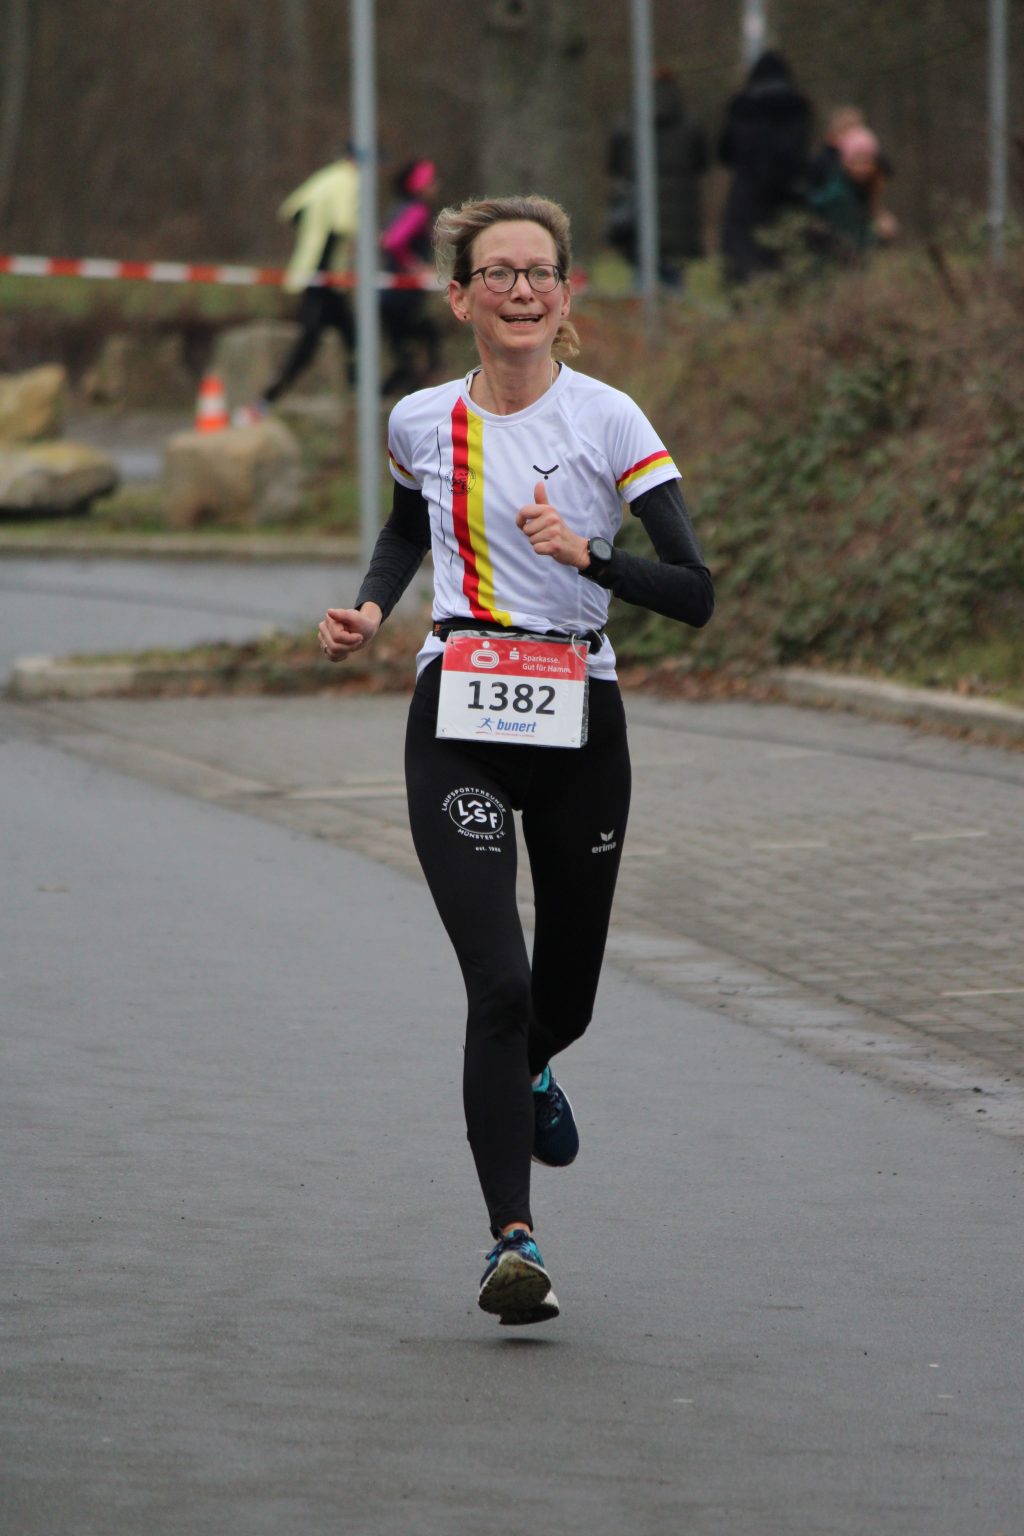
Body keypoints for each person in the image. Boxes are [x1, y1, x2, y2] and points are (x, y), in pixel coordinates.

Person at [317, 195, 714, 1327]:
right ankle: (512, 1241)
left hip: (579, 719)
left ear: (567, 294)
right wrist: (368, 607)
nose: (522, 289)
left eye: (540, 272)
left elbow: (695, 595)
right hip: (458, 715)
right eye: (498, 273)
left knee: (563, 997)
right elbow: (407, 527)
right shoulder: (418, 419)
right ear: (459, 298)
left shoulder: (609, 421)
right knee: (497, 983)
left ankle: (536, 1066)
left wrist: (589, 555)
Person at [237, 151, 359, 423]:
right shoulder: (349, 180)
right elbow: (343, 223)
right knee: (310, 342)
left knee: (353, 336)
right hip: (322, 274)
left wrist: (311, 231)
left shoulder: (324, 177)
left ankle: (359, 400)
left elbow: (290, 210)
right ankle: (265, 401)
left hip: (316, 272)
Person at [606, 68, 709, 288]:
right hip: (679, 215)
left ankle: (641, 318)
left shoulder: (626, 124)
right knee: (674, 278)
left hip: (637, 212)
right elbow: (702, 162)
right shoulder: (690, 123)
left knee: (641, 277)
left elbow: (614, 165)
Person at [718, 50, 813, 284]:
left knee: (744, 254)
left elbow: (725, 152)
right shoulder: (798, 106)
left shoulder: (741, 106)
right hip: (787, 192)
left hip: (747, 194)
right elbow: (800, 151)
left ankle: (747, 299)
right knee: (785, 253)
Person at [380, 159, 443, 395]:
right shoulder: (416, 211)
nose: (437, 186)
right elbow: (393, 242)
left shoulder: (399, 208)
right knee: (427, 339)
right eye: (432, 182)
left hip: (391, 295)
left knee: (405, 356)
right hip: (401, 296)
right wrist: (416, 267)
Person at [807, 125, 888, 262]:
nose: (863, 168)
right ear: (846, 163)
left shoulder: (864, 188)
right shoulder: (839, 195)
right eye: (857, 162)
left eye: (867, 162)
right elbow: (852, 238)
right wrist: (880, 235)